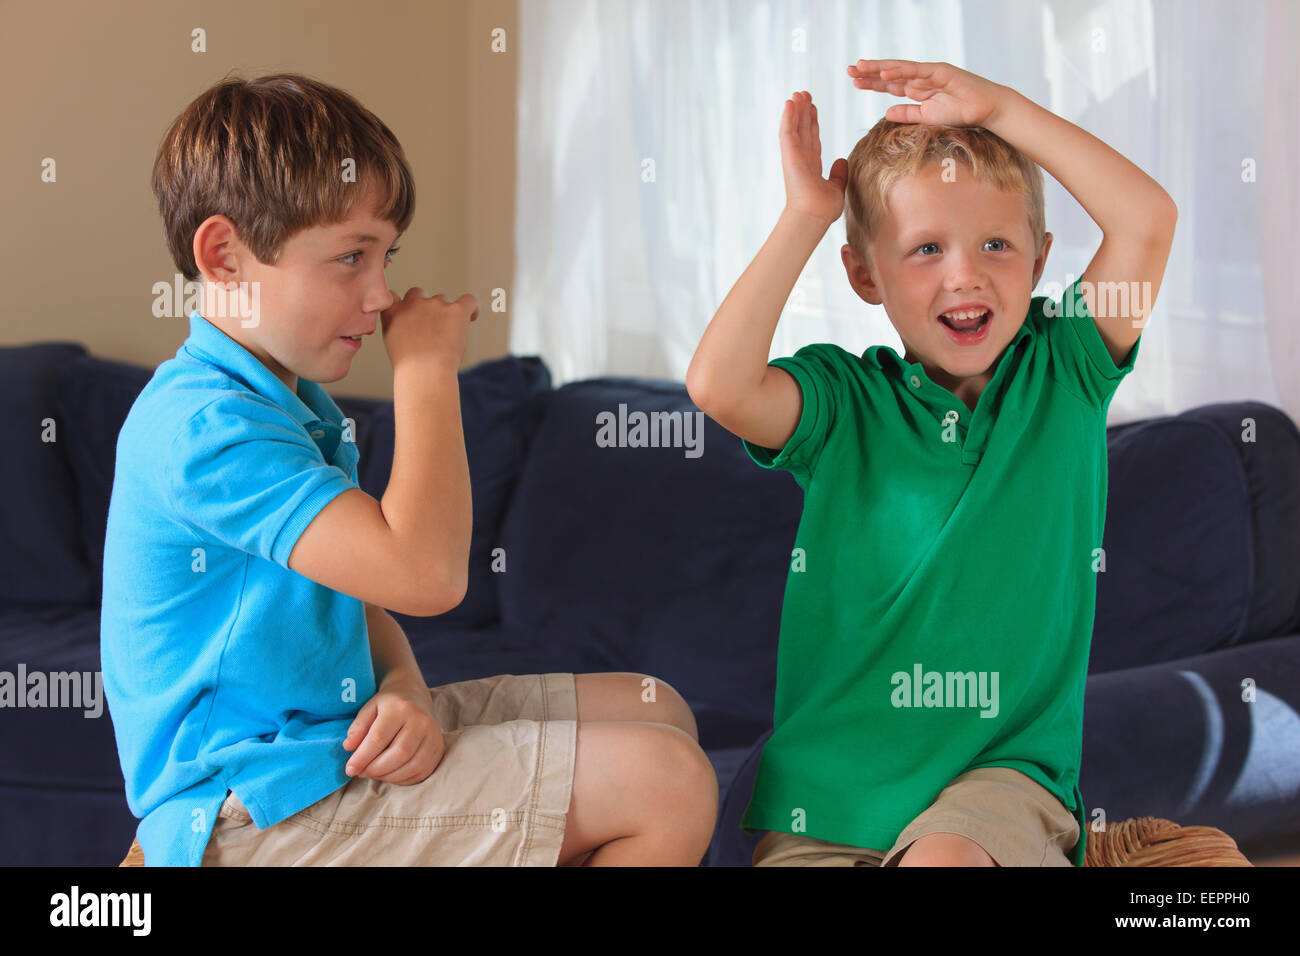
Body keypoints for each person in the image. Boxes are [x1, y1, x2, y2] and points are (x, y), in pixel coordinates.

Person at [101, 72, 717, 867]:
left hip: (326, 747)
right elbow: (424, 576)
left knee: (656, 708)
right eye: (351, 257)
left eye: (387, 256)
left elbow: (348, 599)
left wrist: (402, 687)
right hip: (248, 813)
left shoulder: (285, 401)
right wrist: (426, 371)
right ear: (224, 254)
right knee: (664, 784)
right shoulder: (205, 428)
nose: (383, 293)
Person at [686, 59, 1177, 867]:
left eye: (996, 242)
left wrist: (1004, 106)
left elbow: (1148, 219)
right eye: (924, 249)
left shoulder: (1069, 368)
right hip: (829, 798)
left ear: (1040, 257)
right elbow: (719, 384)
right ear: (863, 275)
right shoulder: (842, 400)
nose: (965, 273)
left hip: (1002, 782)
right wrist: (808, 215)